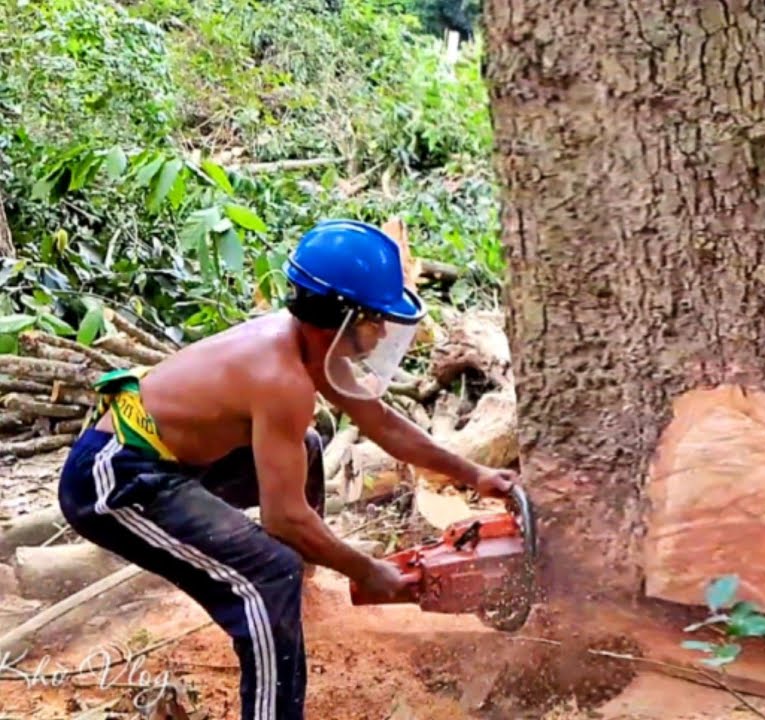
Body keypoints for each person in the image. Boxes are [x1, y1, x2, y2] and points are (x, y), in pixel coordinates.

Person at [56, 219, 518, 720]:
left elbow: (382, 423)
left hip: (176, 461)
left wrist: (474, 474)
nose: (383, 332)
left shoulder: (308, 346)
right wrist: (367, 571)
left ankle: (305, 599)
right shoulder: (281, 378)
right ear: (338, 315)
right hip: (116, 479)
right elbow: (284, 519)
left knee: (308, 447)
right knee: (269, 573)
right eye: (374, 319)